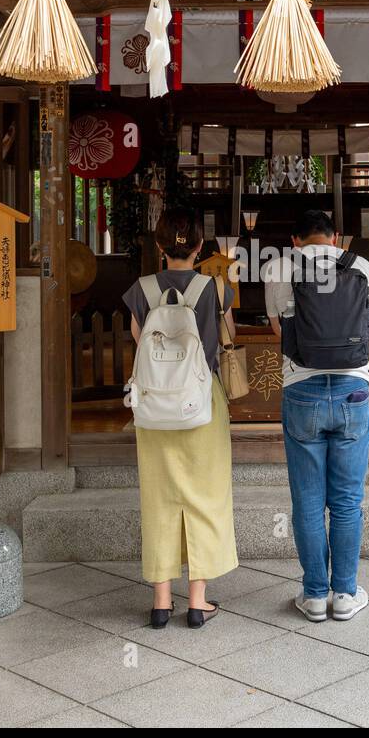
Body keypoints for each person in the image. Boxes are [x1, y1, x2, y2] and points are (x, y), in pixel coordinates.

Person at [122, 208, 237, 629]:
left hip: (153, 404)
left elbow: (139, 342)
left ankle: (160, 601)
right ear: (201, 247)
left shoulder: (142, 288)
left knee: (159, 497)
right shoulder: (216, 288)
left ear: (159, 247)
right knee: (205, 496)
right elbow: (230, 338)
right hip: (202, 402)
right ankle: (198, 601)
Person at [264, 210, 369, 622]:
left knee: (309, 501)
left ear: (296, 240)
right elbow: (365, 323)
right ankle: (345, 594)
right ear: (336, 238)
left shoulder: (279, 266)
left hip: (302, 390)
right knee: (347, 501)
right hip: (353, 390)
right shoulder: (359, 265)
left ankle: (314, 595)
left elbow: (279, 331)